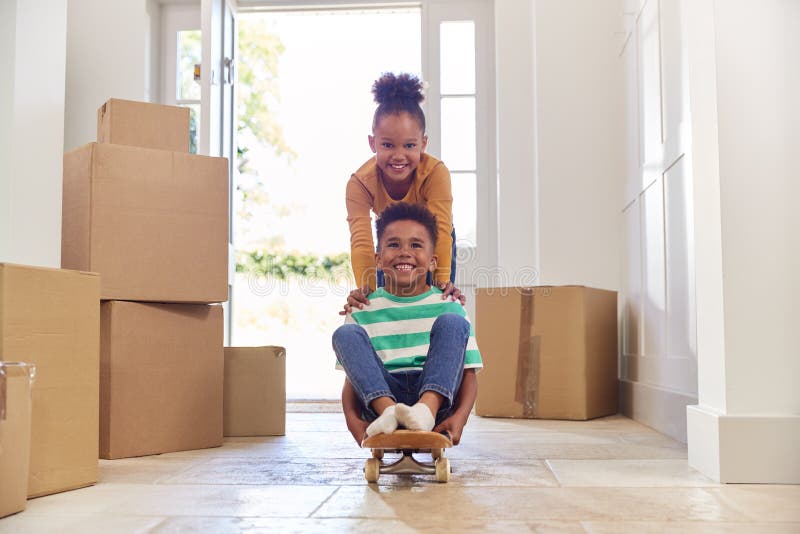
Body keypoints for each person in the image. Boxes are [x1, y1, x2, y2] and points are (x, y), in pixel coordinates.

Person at [332, 202, 483, 446]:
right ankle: (389, 412)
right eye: (393, 244)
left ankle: (425, 411)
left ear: (433, 261)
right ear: (379, 260)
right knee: (345, 334)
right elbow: (353, 379)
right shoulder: (362, 309)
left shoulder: (450, 303)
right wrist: (352, 419)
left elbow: (468, 373)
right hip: (380, 399)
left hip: (437, 402)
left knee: (452, 322)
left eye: (415, 245)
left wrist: (460, 418)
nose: (404, 252)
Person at [342, 72, 465, 315]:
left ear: (423, 144)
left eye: (409, 146)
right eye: (387, 145)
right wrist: (366, 291)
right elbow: (362, 243)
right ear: (372, 143)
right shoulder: (360, 183)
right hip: (391, 238)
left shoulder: (436, 173)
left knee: (435, 303)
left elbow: (440, 229)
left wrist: (441, 283)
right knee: (384, 302)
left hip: (432, 238)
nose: (399, 156)